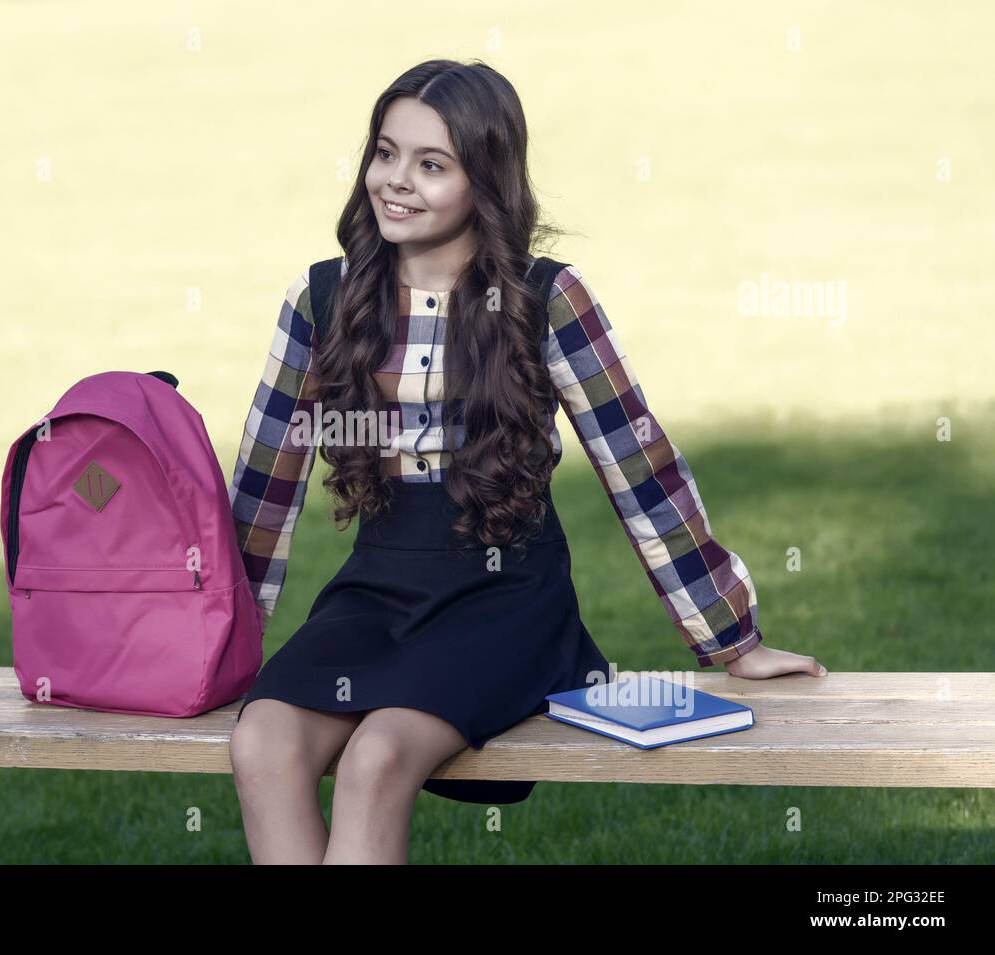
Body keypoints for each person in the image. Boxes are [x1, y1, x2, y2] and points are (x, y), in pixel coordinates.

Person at [225, 58, 826, 865]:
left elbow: (638, 464)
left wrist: (731, 638)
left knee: (376, 757)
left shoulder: (547, 301)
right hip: (377, 590)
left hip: (505, 601)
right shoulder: (324, 298)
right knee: (261, 740)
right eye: (385, 152)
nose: (396, 181)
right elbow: (264, 484)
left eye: (432, 165)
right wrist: (219, 646)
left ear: (488, 179)